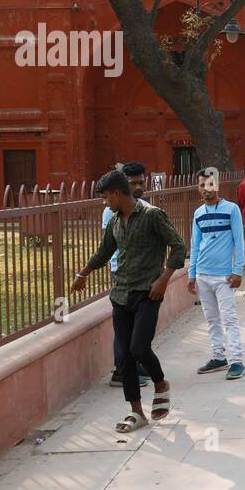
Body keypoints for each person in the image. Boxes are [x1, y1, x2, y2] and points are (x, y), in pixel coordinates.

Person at [71, 169, 186, 433]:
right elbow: (104, 252)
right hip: (120, 295)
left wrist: (164, 279)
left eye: (105, 197)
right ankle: (136, 412)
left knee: (139, 348)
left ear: (117, 193)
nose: (104, 202)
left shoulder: (152, 216)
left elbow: (178, 246)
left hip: (147, 292)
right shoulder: (113, 221)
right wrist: (83, 274)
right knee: (124, 357)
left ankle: (160, 383)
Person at [188, 168, 245, 380]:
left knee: (229, 319)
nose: (206, 189)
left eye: (210, 185)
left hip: (224, 277)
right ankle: (218, 356)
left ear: (217, 185)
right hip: (203, 275)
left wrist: (237, 271)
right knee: (211, 319)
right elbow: (195, 245)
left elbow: (239, 242)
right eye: (202, 185)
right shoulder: (198, 214)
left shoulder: (231, 210)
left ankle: (237, 360)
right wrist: (192, 274)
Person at [102, 161, 151, 388]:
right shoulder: (111, 209)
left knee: (137, 325)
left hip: (141, 274)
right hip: (122, 273)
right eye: (133, 183)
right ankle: (121, 370)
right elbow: (112, 245)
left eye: (141, 181)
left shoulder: (143, 206)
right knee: (123, 325)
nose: (139, 186)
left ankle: (135, 364)